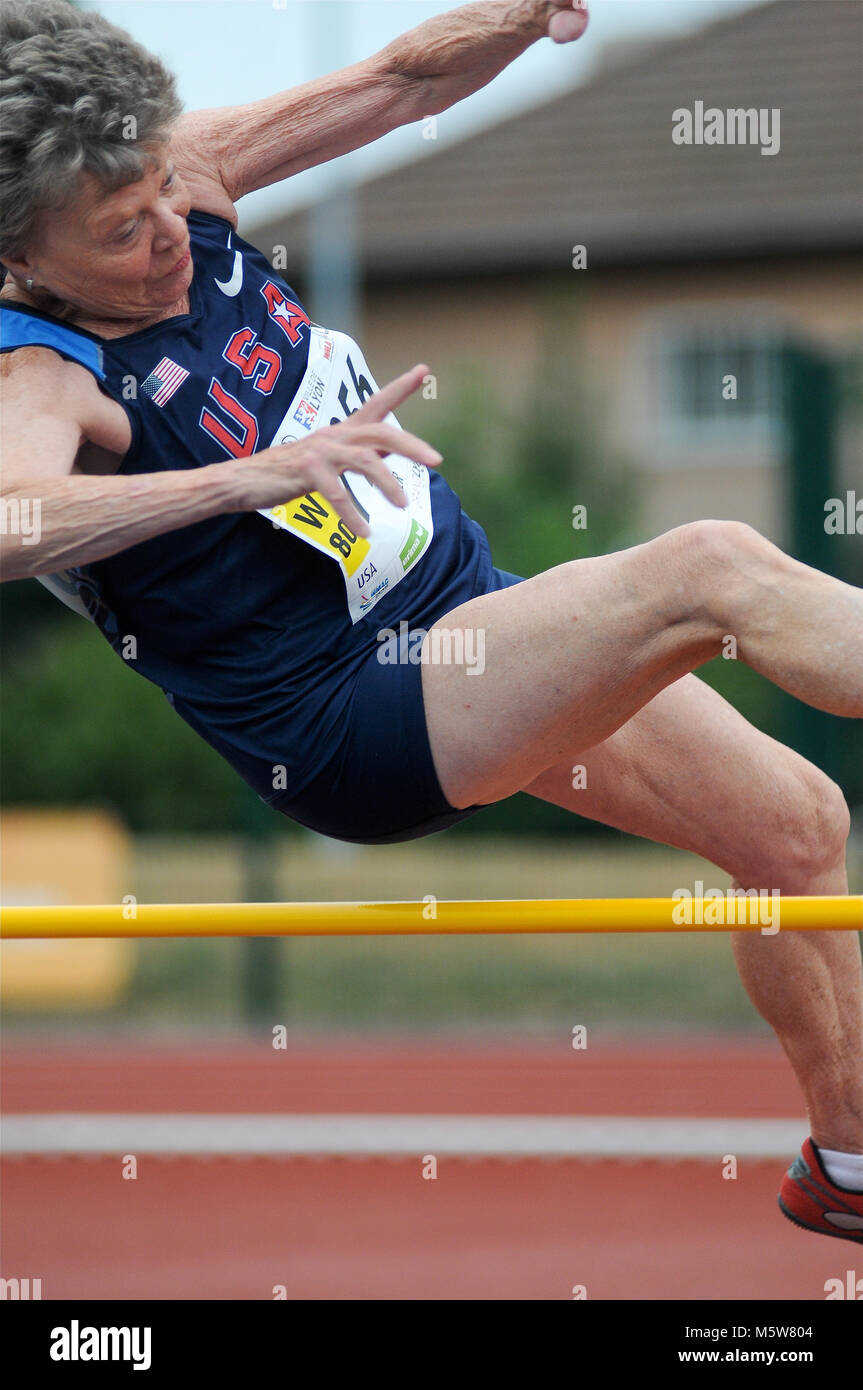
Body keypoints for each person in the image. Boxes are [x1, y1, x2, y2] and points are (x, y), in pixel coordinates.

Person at [1, 0, 861, 1246]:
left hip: (465, 615)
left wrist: (521, 15)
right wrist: (246, 478)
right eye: (121, 233)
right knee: (708, 565)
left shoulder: (181, 173)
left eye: (157, 194)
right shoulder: (44, 373)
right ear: (24, 260)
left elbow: (402, 80)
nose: (167, 234)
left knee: (794, 829)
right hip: (352, 715)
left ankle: (846, 1161)